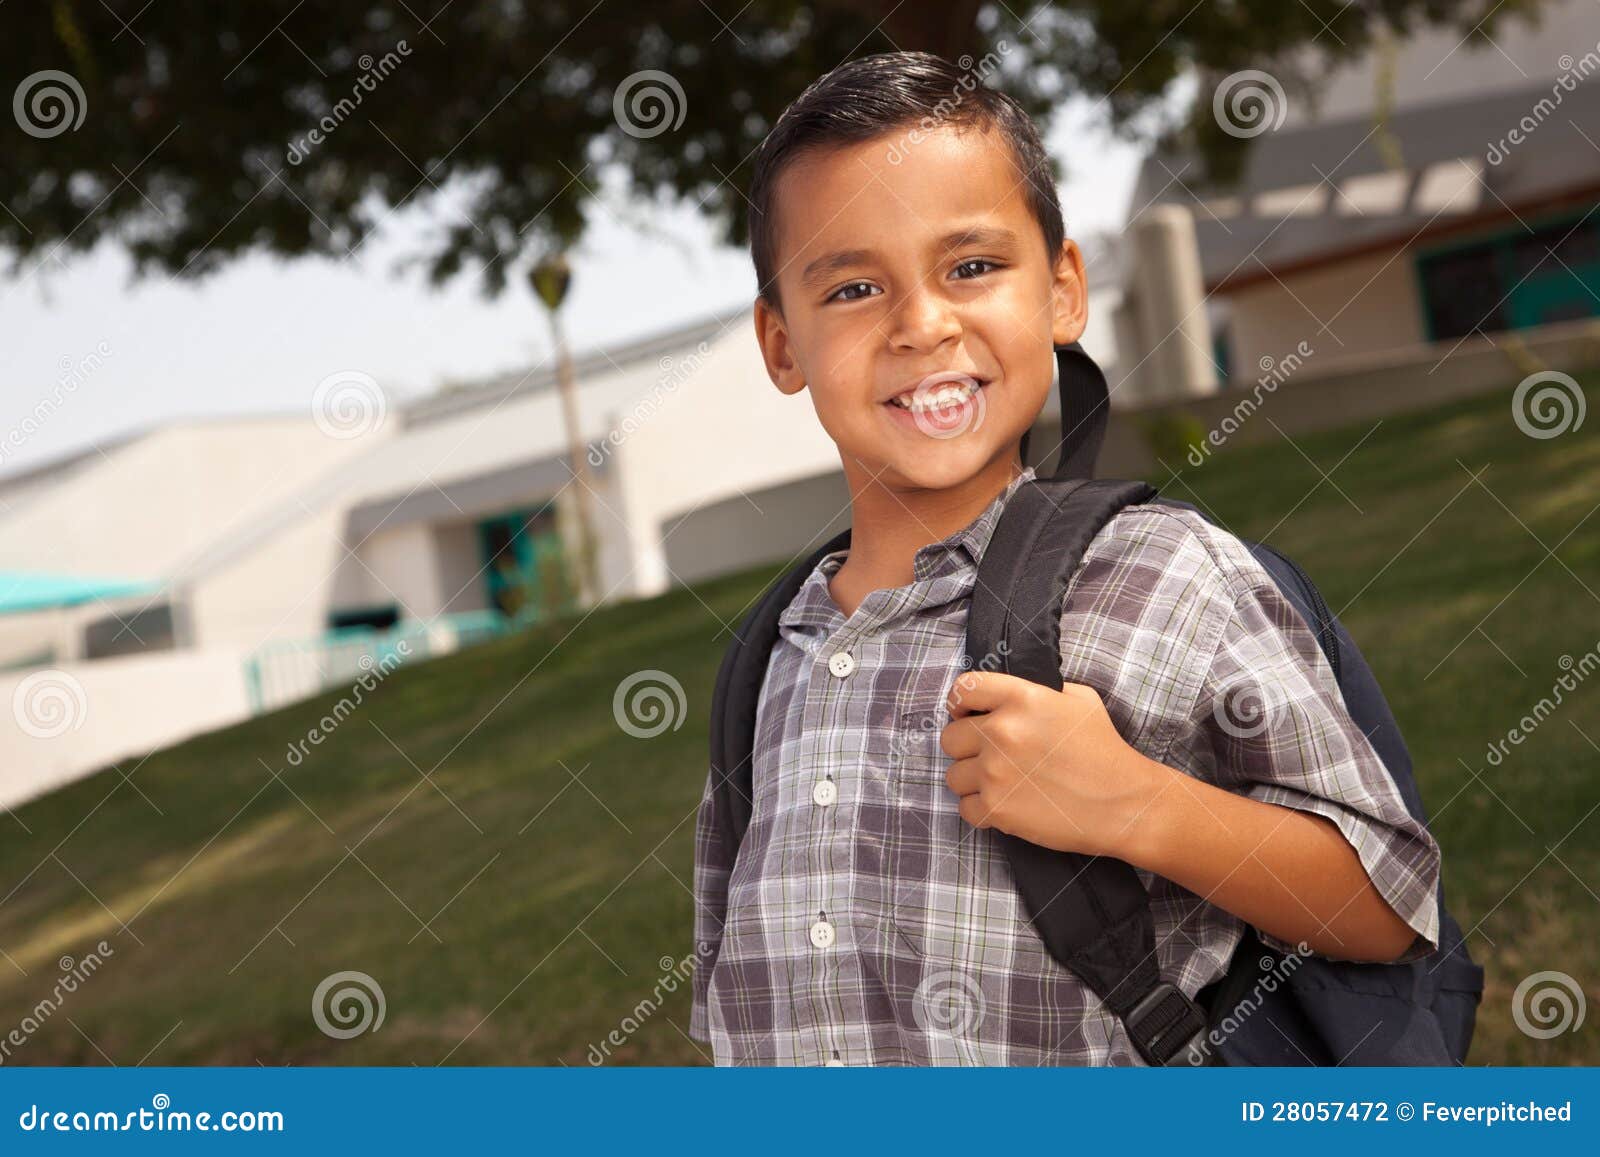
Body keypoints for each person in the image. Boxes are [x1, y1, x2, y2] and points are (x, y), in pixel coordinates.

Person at [689, 51, 1439, 1066]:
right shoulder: (766, 662)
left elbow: (1386, 900)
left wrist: (1135, 800)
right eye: (856, 286)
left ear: (1061, 289)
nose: (921, 323)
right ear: (782, 345)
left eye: (970, 266)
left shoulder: (1166, 573)